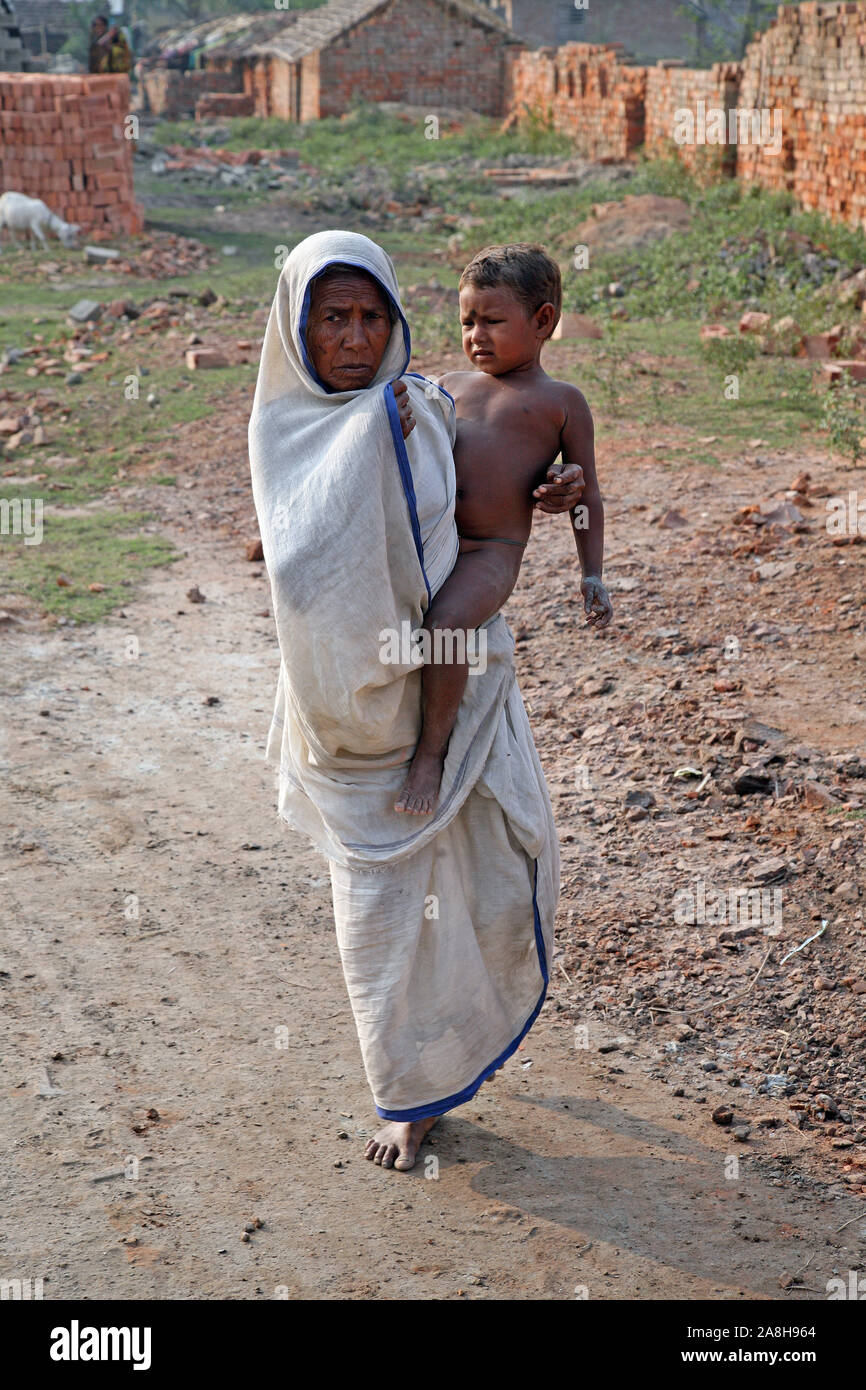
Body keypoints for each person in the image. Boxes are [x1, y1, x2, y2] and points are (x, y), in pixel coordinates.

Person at [248, 230, 582, 1171]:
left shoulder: (422, 411)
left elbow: (490, 493)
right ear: (296, 326)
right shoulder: (282, 425)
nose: (354, 339)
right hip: (345, 723)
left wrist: (554, 488)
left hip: (454, 694)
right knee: (379, 913)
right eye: (332, 318)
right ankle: (408, 1089)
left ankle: (458, 1056)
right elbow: (296, 550)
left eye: (371, 318)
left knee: (487, 878)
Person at [395, 243, 612, 815]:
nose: (476, 335)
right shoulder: (450, 385)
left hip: (490, 551)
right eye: (467, 321)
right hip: (429, 537)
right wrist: (397, 415)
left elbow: (584, 491)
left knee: (446, 623)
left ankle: (432, 754)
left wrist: (592, 573)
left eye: (493, 321)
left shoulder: (560, 403)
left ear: (543, 322)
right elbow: (414, 452)